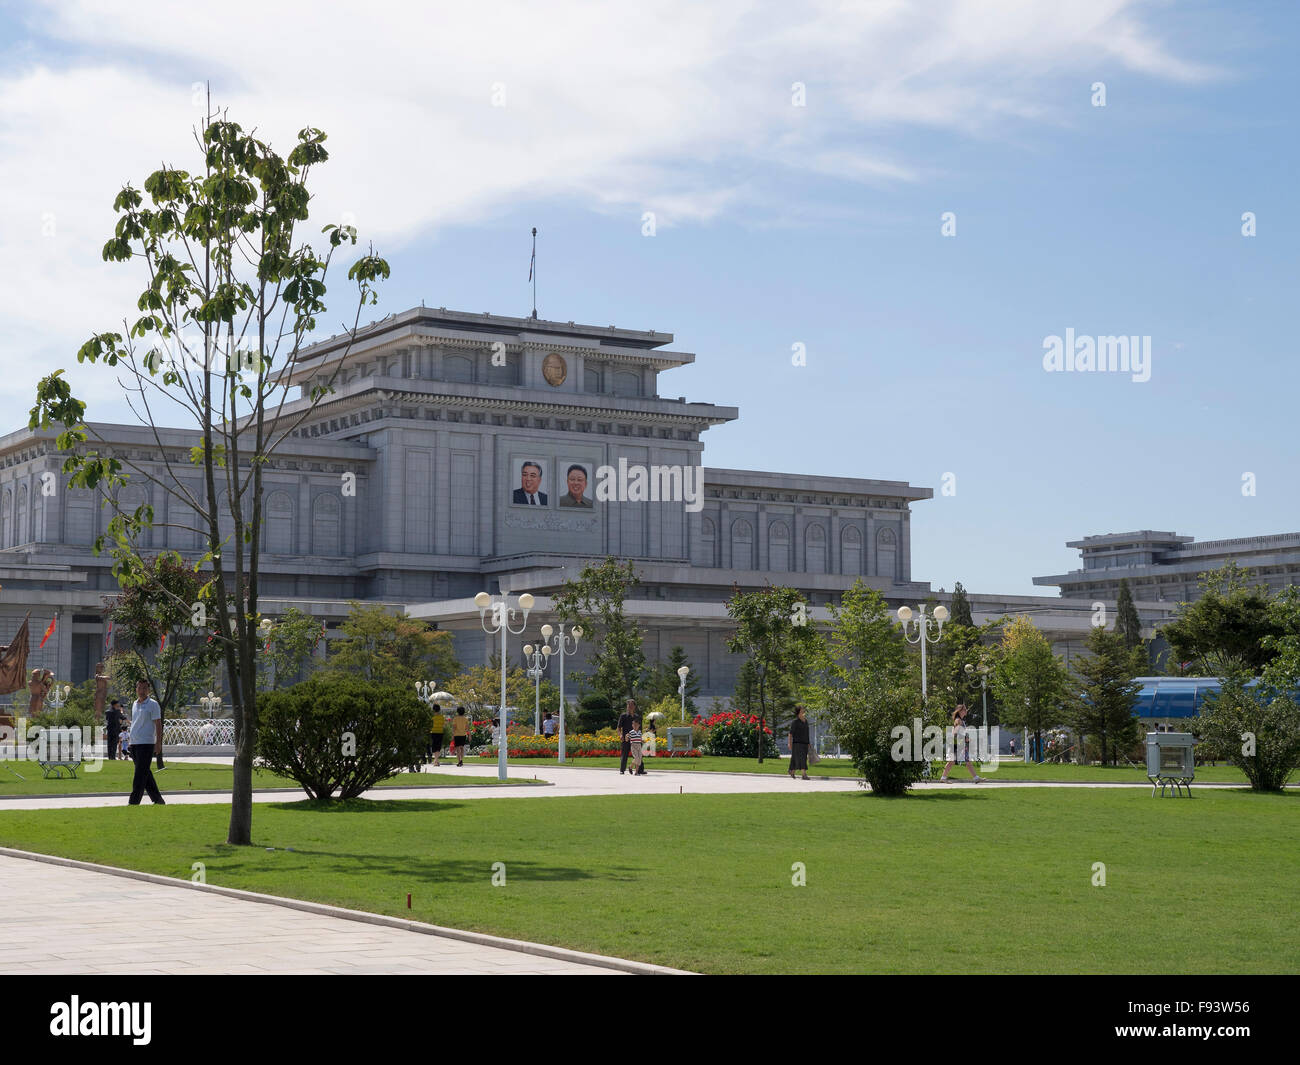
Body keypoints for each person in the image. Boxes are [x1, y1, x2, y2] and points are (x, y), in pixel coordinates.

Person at [126, 679, 165, 804]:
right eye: (139, 688)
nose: (141, 691)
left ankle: (133, 801)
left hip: (146, 744)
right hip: (134, 744)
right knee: (145, 773)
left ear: (148, 690)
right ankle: (158, 799)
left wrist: (158, 743)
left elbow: (158, 724)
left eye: (144, 688)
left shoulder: (153, 704)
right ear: (136, 689)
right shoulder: (134, 704)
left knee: (139, 775)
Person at [939, 704, 983, 783]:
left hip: (959, 744)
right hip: (956, 745)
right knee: (953, 761)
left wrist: (966, 737)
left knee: (966, 761)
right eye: (965, 709)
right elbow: (955, 732)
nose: (966, 711)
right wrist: (963, 738)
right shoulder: (958, 720)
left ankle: (976, 778)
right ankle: (943, 778)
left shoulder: (961, 720)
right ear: (960, 711)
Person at [788, 704, 811, 780]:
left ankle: (791, 771)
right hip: (797, 743)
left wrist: (808, 743)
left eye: (804, 711)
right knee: (802, 759)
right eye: (802, 711)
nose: (803, 712)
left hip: (804, 743)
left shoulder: (806, 721)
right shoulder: (795, 722)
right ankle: (804, 775)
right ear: (798, 712)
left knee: (796, 759)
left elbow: (807, 733)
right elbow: (790, 734)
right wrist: (789, 743)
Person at [617, 699, 636, 774]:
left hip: (635, 738)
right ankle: (622, 770)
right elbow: (618, 727)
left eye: (631, 705)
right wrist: (620, 735)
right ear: (627, 707)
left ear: (634, 706)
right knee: (624, 754)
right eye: (629, 705)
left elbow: (639, 728)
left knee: (638, 754)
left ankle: (640, 770)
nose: (630, 707)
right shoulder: (623, 716)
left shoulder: (637, 716)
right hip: (626, 738)